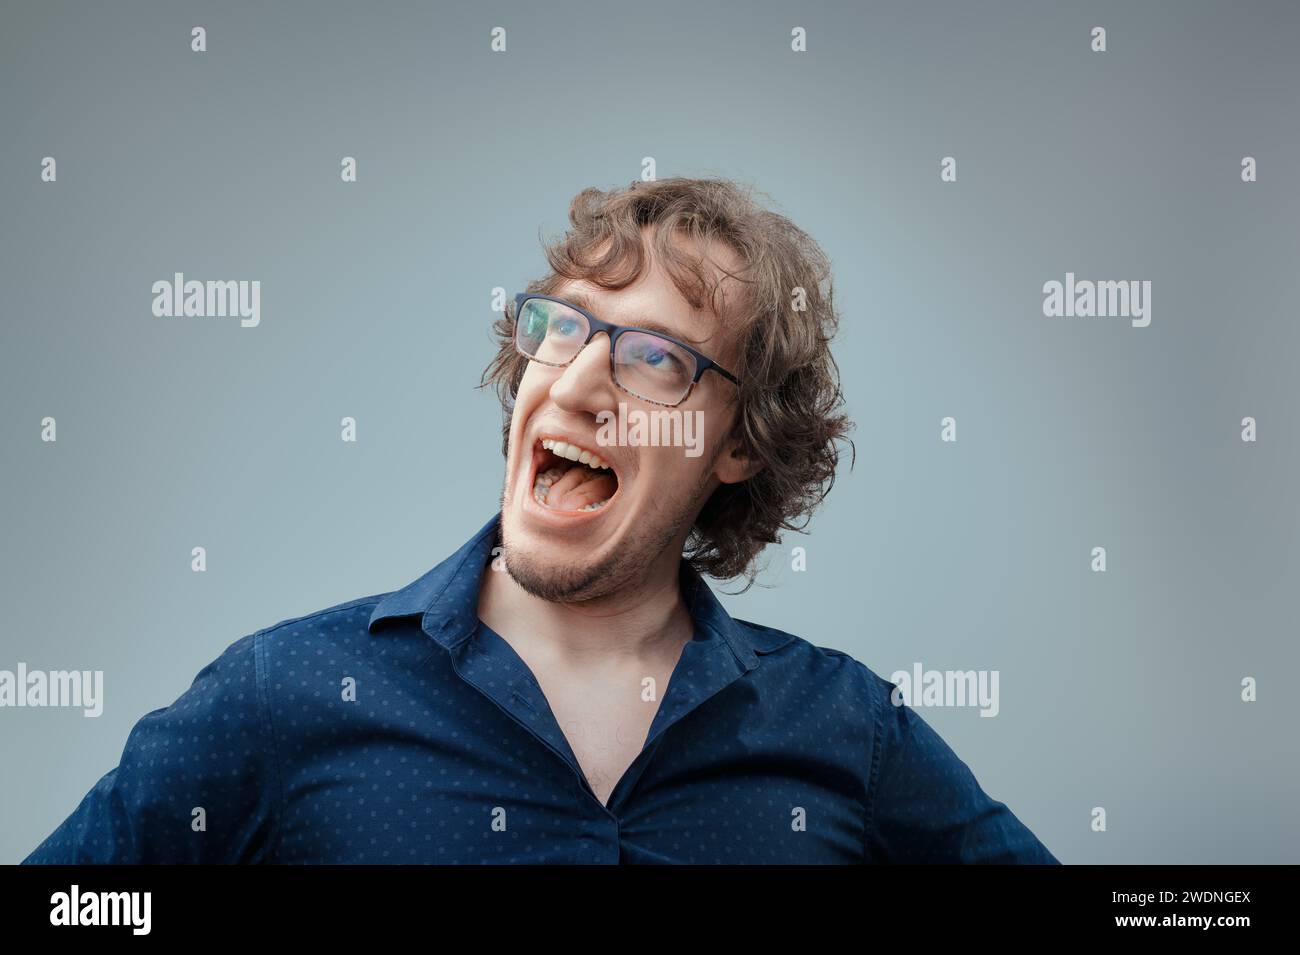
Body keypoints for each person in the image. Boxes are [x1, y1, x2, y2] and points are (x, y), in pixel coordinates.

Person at [24, 177, 1057, 864]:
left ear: (737, 443)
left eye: (656, 357)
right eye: (560, 331)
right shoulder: (283, 696)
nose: (575, 383)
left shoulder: (844, 732)